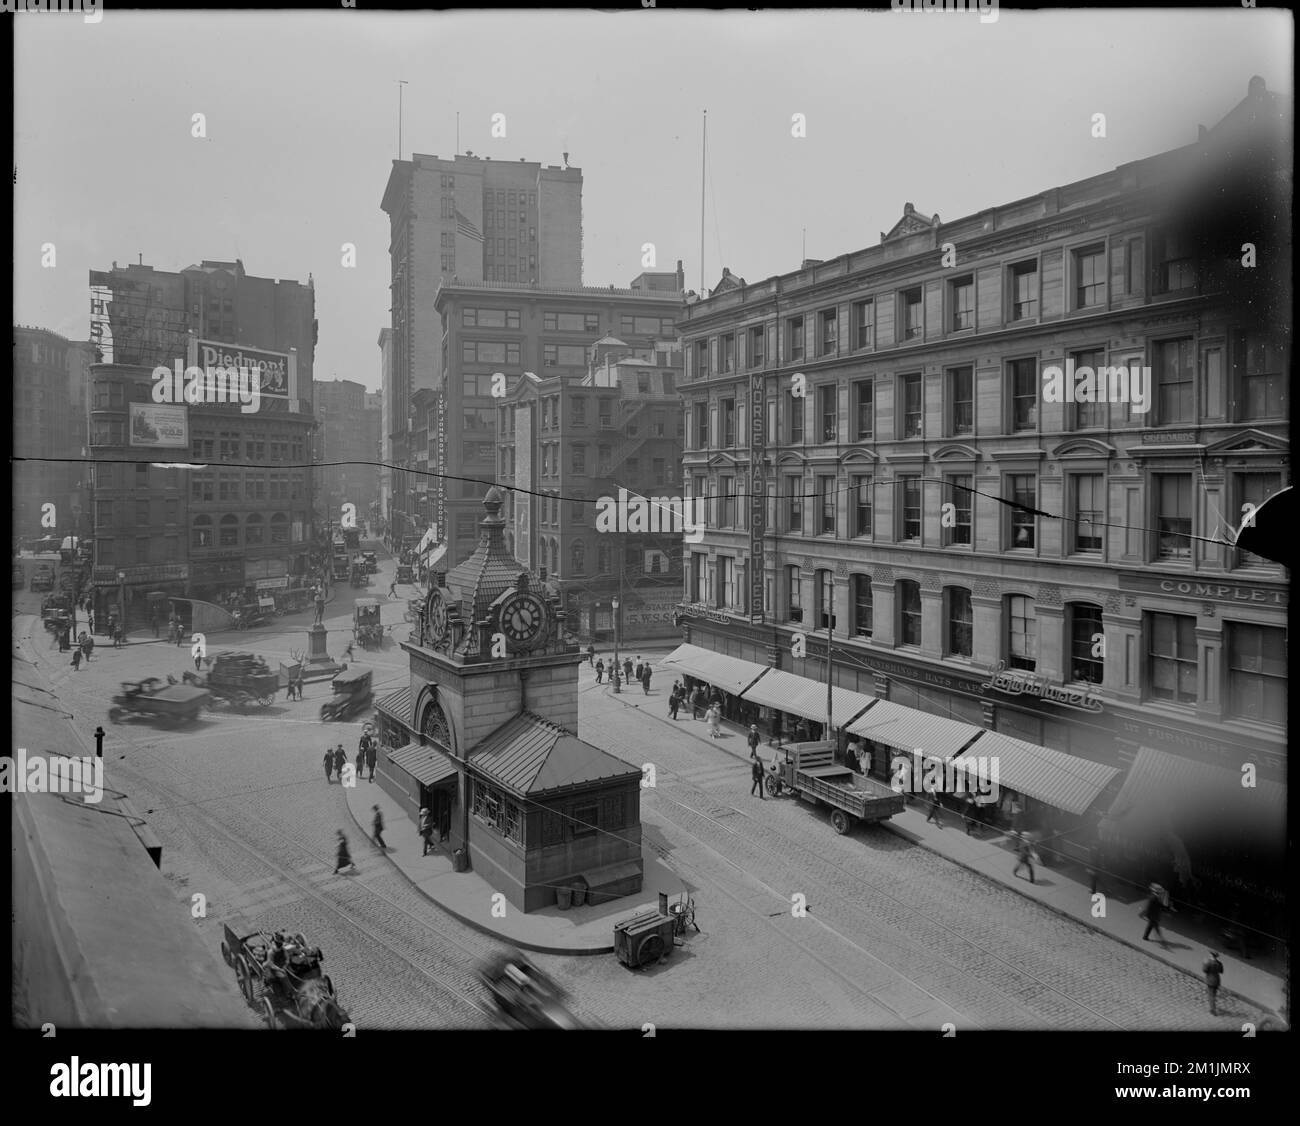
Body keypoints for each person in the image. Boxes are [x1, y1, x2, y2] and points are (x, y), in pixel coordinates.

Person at [1203, 950, 1224, 1015]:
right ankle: (1213, 1004)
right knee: (1214, 994)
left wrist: (1204, 963)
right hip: (1217, 980)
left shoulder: (1208, 963)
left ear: (1211, 955)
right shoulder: (1219, 963)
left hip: (1210, 980)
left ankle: (1213, 1009)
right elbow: (1221, 971)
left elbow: (1205, 970)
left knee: (1211, 995)